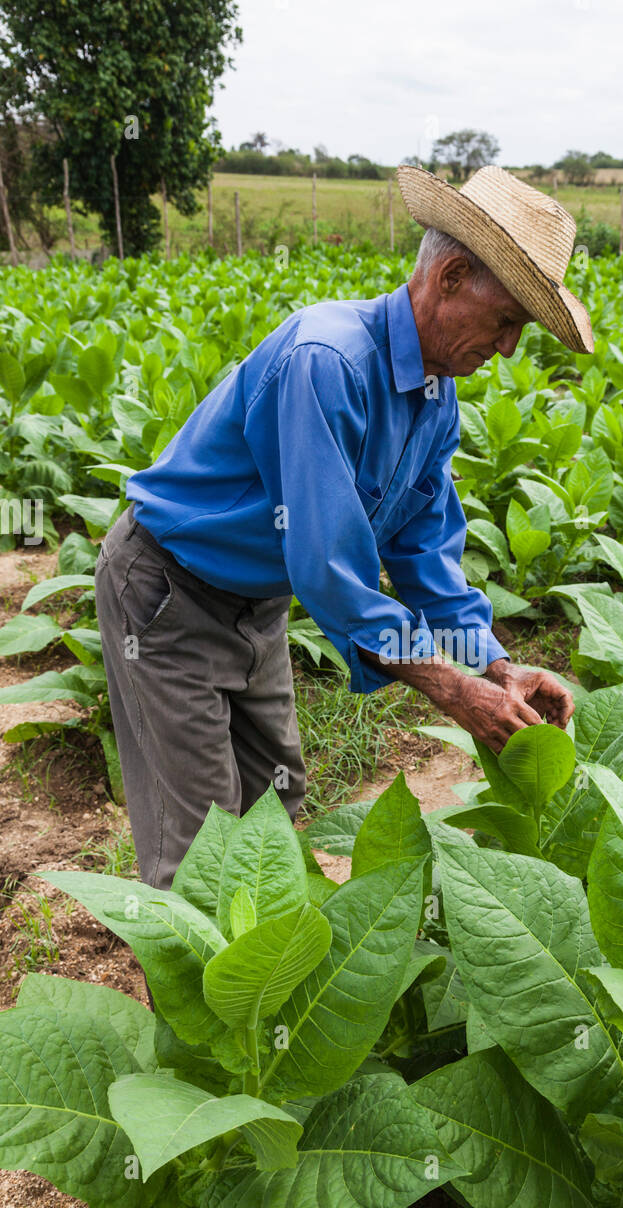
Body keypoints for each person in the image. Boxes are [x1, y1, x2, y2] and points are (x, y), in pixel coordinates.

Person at [94, 163, 594, 890]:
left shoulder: (435, 394)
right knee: (200, 848)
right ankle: (196, 1002)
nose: (510, 347)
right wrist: (451, 690)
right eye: (507, 320)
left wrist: (492, 664)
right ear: (451, 276)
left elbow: (424, 554)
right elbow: (329, 568)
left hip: (256, 604)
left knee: (273, 807)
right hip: (167, 596)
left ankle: (267, 990)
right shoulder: (326, 360)